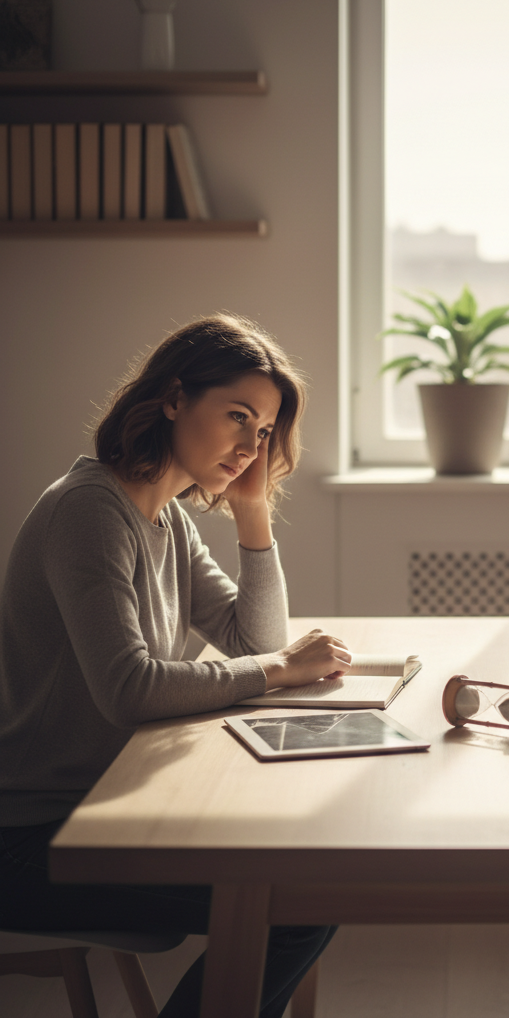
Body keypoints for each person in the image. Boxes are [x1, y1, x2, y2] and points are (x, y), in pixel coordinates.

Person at [0, 315, 353, 1018]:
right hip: (36, 838)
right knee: (298, 901)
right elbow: (129, 690)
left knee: (307, 881)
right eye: (237, 417)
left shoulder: (165, 516)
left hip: (113, 810)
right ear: (172, 398)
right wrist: (279, 670)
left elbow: (253, 639)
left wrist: (253, 511)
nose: (251, 444)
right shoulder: (89, 511)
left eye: (263, 430)